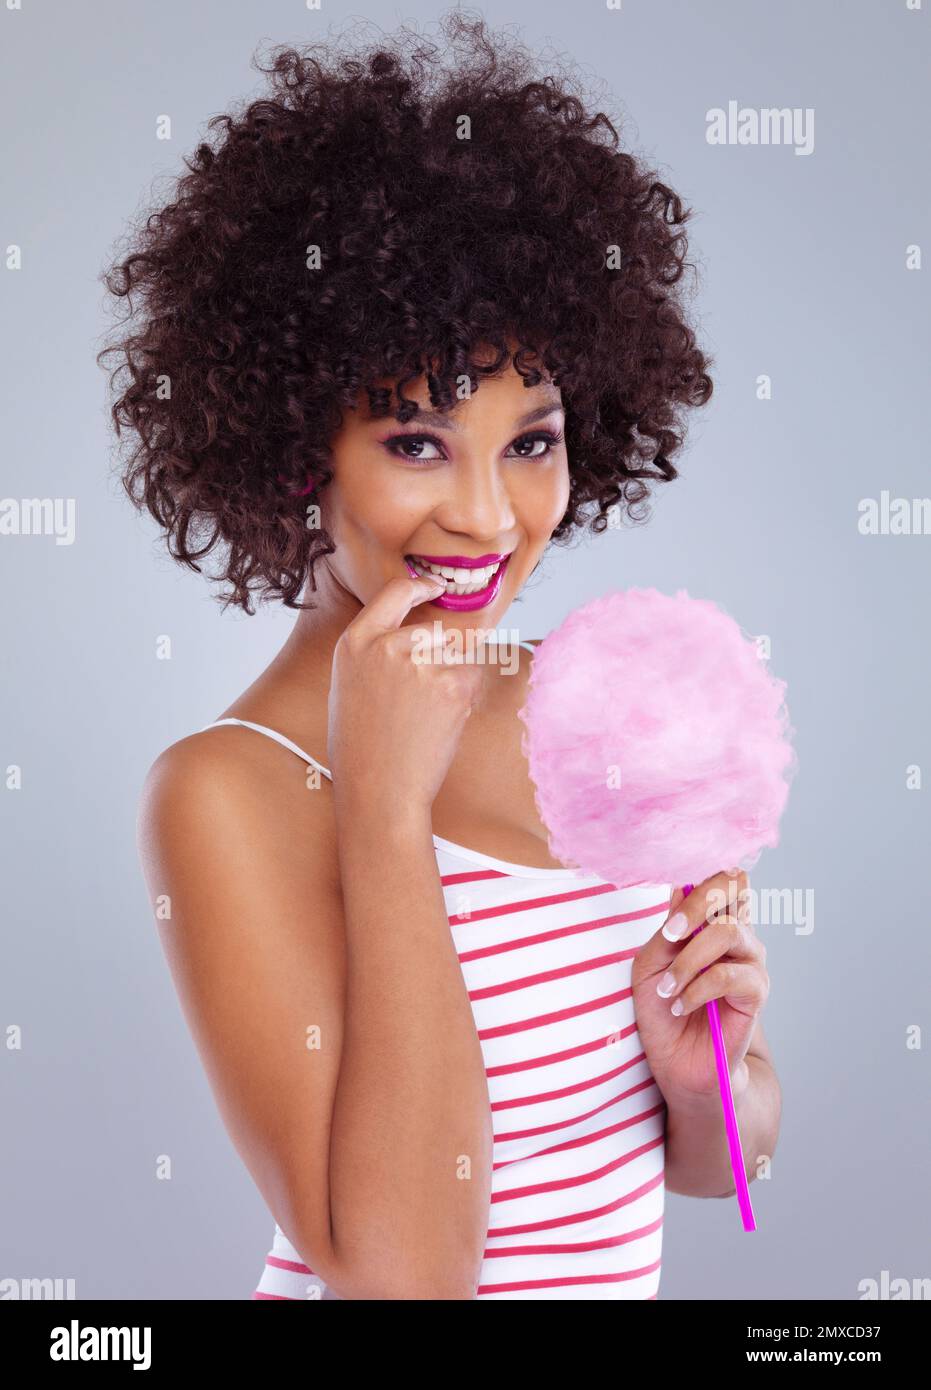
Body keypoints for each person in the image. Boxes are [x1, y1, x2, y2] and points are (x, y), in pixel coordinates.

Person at [98, 12, 780, 1300]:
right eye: (416, 443)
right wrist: (385, 813)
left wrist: (709, 1088)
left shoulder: (597, 718)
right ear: (298, 455)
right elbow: (399, 1280)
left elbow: (708, 1173)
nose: (486, 515)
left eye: (531, 441)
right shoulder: (224, 793)